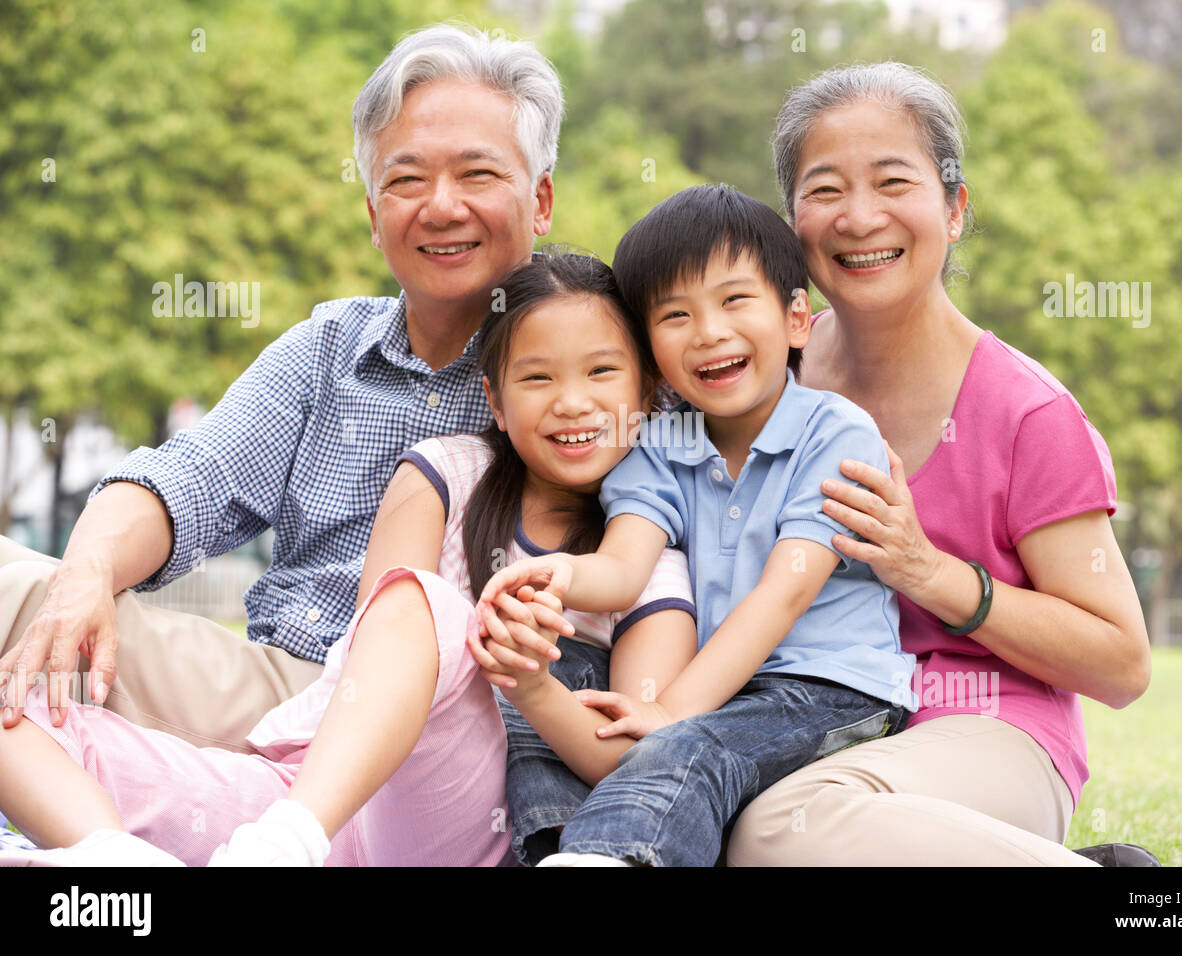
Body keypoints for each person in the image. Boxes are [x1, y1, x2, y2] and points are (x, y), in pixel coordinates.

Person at [0, 252, 698, 867]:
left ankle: (292, 840)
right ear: (496, 400)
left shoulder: (648, 561)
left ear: (649, 393)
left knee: (428, 604)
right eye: (538, 378)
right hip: (314, 795)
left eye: (603, 372)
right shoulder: (444, 474)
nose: (572, 403)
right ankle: (111, 857)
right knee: (17, 719)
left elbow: (627, 756)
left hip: (451, 824)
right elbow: (364, 662)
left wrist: (532, 686)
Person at [0, 24, 563, 753]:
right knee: (28, 589)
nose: (441, 206)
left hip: (456, 733)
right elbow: (190, 479)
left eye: (478, 174)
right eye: (405, 179)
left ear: (542, 200)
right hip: (282, 693)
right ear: (372, 215)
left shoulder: (595, 364)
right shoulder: (327, 349)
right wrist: (87, 572)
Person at [724, 63, 1152, 866]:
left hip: (984, 730)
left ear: (954, 208)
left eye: (893, 182)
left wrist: (926, 569)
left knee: (779, 830)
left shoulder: (1029, 413)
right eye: (824, 191)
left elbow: (1122, 662)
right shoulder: (764, 375)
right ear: (792, 223)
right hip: (808, 719)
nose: (859, 217)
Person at [475, 185, 915, 867]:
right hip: (727, 698)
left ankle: (609, 858)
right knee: (573, 707)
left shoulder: (836, 433)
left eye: (735, 301)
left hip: (833, 693)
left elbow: (784, 595)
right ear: (651, 352)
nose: (708, 331)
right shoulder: (657, 446)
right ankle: (564, 849)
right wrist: (561, 573)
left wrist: (675, 710)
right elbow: (624, 569)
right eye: (675, 314)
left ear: (798, 318)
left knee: (686, 749)